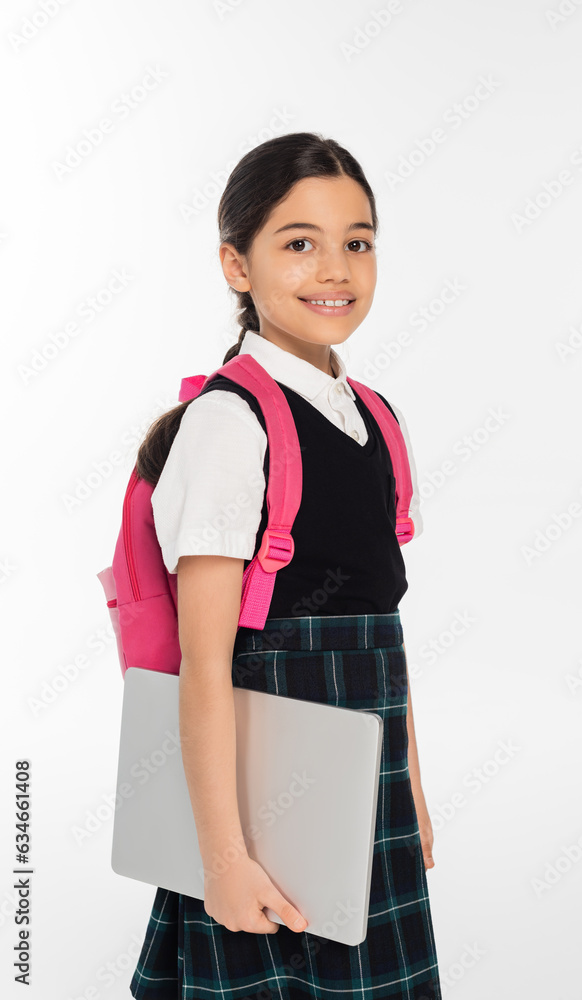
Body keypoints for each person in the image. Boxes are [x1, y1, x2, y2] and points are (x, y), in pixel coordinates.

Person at [128, 131, 442, 999]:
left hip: (361, 783)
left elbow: (386, 641)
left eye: (358, 241)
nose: (334, 269)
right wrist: (223, 860)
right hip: (260, 805)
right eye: (298, 243)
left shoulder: (375, 418)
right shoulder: (232, 427)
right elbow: (206, 669)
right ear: (236, 264)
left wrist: (407, 787)